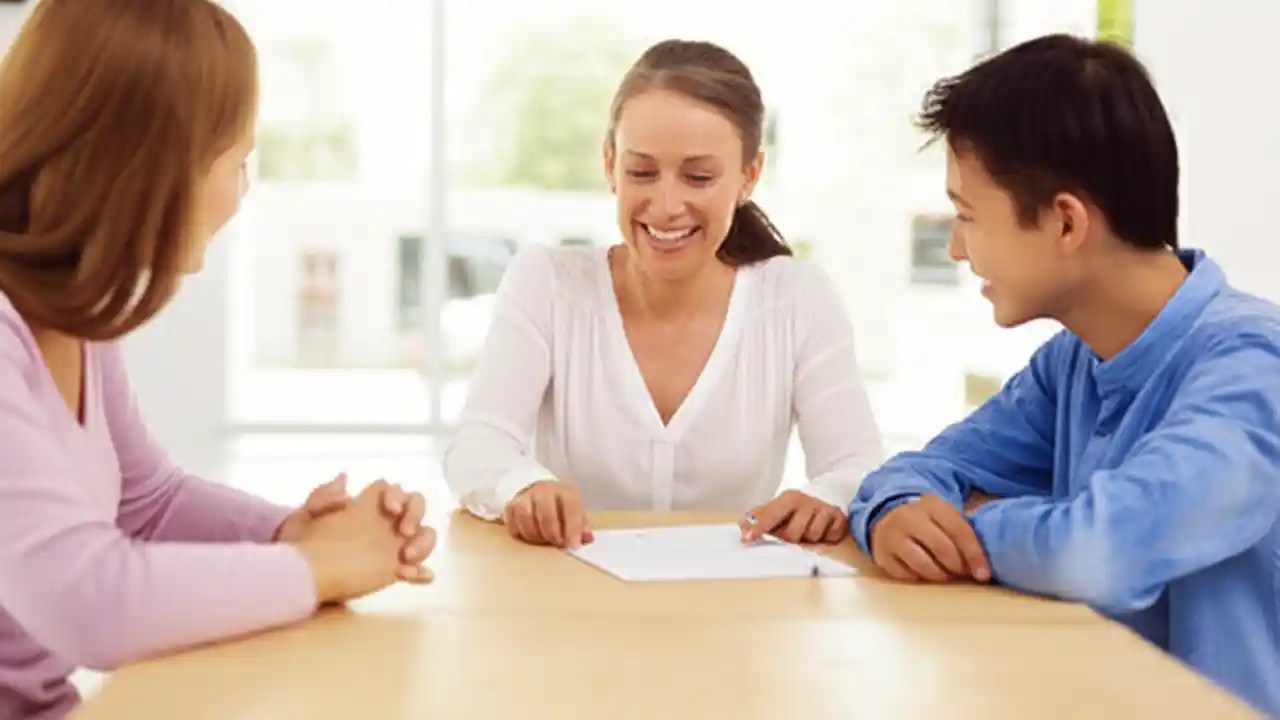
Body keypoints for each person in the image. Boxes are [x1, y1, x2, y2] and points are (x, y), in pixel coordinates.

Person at [0, 2, 438, 717]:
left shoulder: (70, 310)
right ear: (153, 167)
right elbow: (90, 604)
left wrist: (290, 532)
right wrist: (320, 565)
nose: (241, 192)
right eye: (238, 162)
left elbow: (145, 502)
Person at [847, 34, 1280, 715]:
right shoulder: (1073, 361)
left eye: (967, 216)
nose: (956, 247)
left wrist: (974, 524)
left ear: (1066, 222)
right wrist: (893, 512)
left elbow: (1098, 554)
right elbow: (923, 470)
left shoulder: (1254, 365)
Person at [444, 39, 883, 549]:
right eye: (641, 172)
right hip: (571, 592)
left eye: (698, 177)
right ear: (610, 164)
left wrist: (826, 498)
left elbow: (855, 466)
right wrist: (521, 486)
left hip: (737, 594)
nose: (666, 204)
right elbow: (477, 447)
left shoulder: (797, 299)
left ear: (749, 176)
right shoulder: (547, 284)